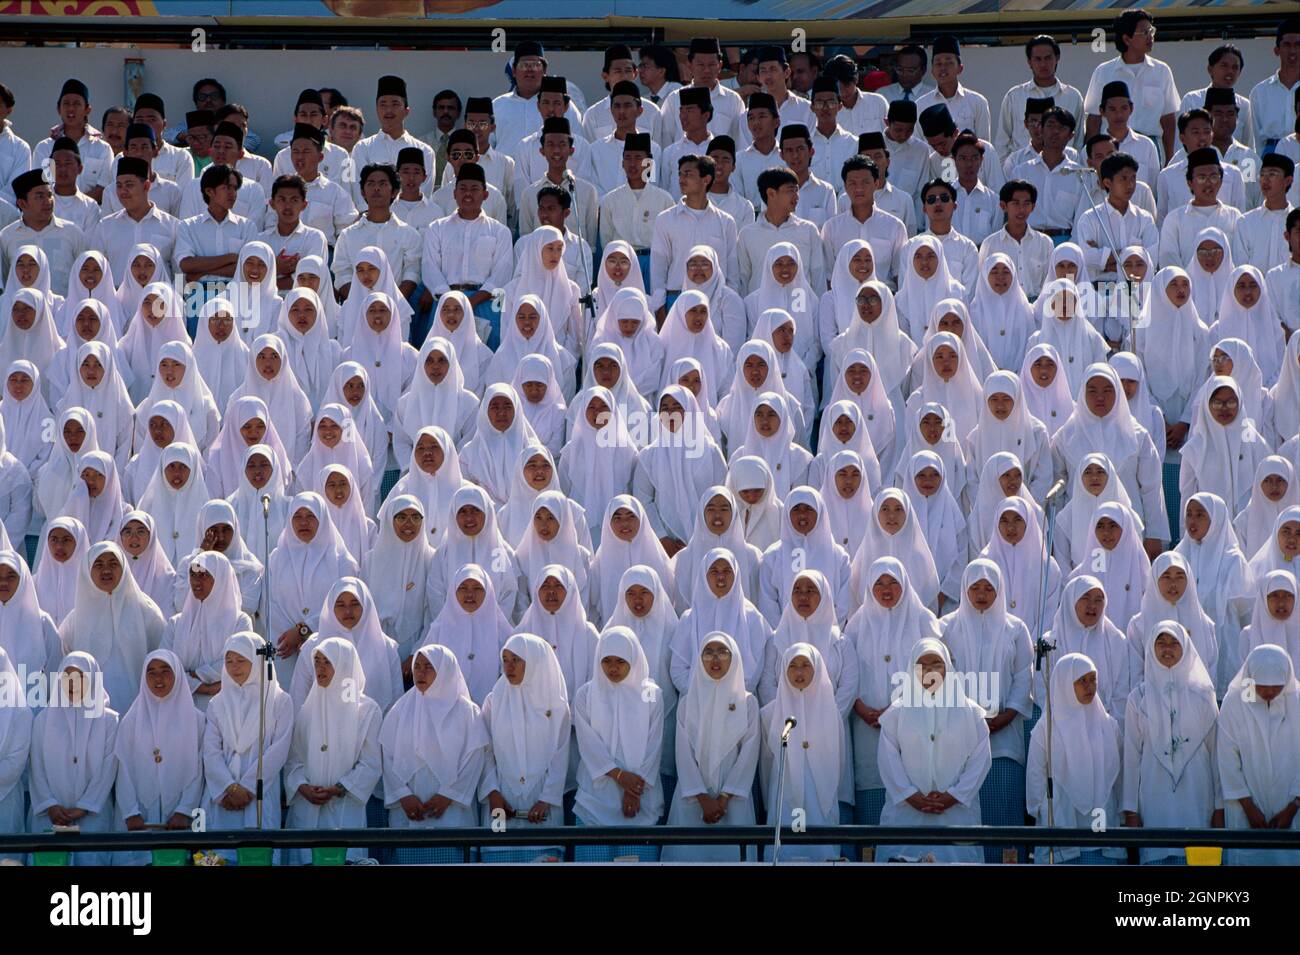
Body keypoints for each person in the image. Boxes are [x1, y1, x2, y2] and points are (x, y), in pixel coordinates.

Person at [877, 637, 991, 863]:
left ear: (948, 667)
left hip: (956, 812)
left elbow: (980, 760)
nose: (929, 671)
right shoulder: (897, 712)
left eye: (936, 664)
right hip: (907, 813)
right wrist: (911, 796)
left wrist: (954, 796)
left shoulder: (970, 713)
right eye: (922, 665)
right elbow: (888, 760)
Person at [1123, 621, 1223, 864]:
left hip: (1197, 798)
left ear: (1186, 648)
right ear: (1150, 649)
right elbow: (1132, 756)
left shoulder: (1203, 694)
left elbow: (1216, 753)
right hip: (1154, 800)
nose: (1167, 649)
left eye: (1174, 643)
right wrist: (1130, 810)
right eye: (1161, 643)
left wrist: (1220, 807)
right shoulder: (1139, 697)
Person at [379, 644, 487, 860]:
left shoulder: (467, 711)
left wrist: (449, 795)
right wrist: (403, 795)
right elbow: (386, 756)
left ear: (445, 669)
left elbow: (475, 758)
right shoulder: (401, 710)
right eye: (417, 666)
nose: (420, 672)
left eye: (429, 666)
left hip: (453, 815)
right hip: (409, 815)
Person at [663, 631, 759, 861]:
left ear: (734, 658)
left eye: (723, 652)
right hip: (693, 803)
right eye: (708, 653)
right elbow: (683, 754)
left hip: (733, 804)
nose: (715, 659)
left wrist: (724, 798)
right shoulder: (688, 702)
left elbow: (748, 754)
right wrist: (703, 799)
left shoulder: (747, 702)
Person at [284, 637, 382, 865]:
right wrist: (303, 787)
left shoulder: (366, 711)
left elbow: (371, 763)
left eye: (327, 662)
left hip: (344, 809)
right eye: (316, 661)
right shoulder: (307, 709)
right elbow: (293, 760)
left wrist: (339, 788)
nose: (320, 668)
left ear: (345, 664)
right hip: (306, 809)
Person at [201, 632, 293, 860]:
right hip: (222, 797)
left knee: (256, 854)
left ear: (257, 661)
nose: (234, 667)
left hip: (259, 795)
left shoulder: (279, 700)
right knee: (218, 857)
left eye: (241, 660)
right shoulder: (217, 703)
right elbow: (211, 752)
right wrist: (229, 788)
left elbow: (278, 752)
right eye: (229, 661)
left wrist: (248, 788)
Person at [478, 633, 570, 860]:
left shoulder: (557, 706)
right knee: (498, 855)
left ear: (535, 661)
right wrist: (492, 793)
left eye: (516, 660)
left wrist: (547, 799)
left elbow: (561, 755)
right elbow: (485, 750)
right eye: (505, 660)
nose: (509, 667)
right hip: (501, 800)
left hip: (542, 803)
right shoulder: (495, 699)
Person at [1026, 652, 1124, 864]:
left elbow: (1118, 777)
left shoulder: (1109, 726)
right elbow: (1035, 781)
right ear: (1064, 684)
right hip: (1061, 834)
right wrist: (1044, 811)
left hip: (1102, 833)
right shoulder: (1046, 728)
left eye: (1093, 679)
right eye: (1082, 681)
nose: (1090, 686)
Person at [113, 649, 203, 866]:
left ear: (178, 675)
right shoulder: (131, 720)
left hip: (181, 819)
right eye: (151, 673)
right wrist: (131, 812)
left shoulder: (197, 720)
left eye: (165, 671)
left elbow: (198, 769)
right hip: (139, 818)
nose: (158, 678)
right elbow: (122, 770)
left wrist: (184, 810)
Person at [28, 651, 118, 865]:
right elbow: (36, 767)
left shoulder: (108, 720)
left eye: (80, 677)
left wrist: (85, 806)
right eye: (67, 677)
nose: (72, 684)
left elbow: (108, 769)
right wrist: (50, 804)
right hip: (49, 814)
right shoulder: (43, 718)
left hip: (93, 816)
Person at [1217, 643, 1300, 865]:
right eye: (1263, 686)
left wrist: (1293, 807)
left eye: (1277, 686)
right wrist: (1248, 807)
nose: (1270, 692)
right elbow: (1227, 758)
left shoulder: (1297, 701)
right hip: (1245, 808)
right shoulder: (1235, 703)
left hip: (1293, 806)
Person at [760, 643, 843, 861]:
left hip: (821, 794)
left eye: (806, 665)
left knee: (820, 851)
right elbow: (767, 764)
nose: (799, 672)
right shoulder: (770, 713)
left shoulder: (831, 711)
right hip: (785, 794)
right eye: (793, 666)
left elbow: (839, 760)